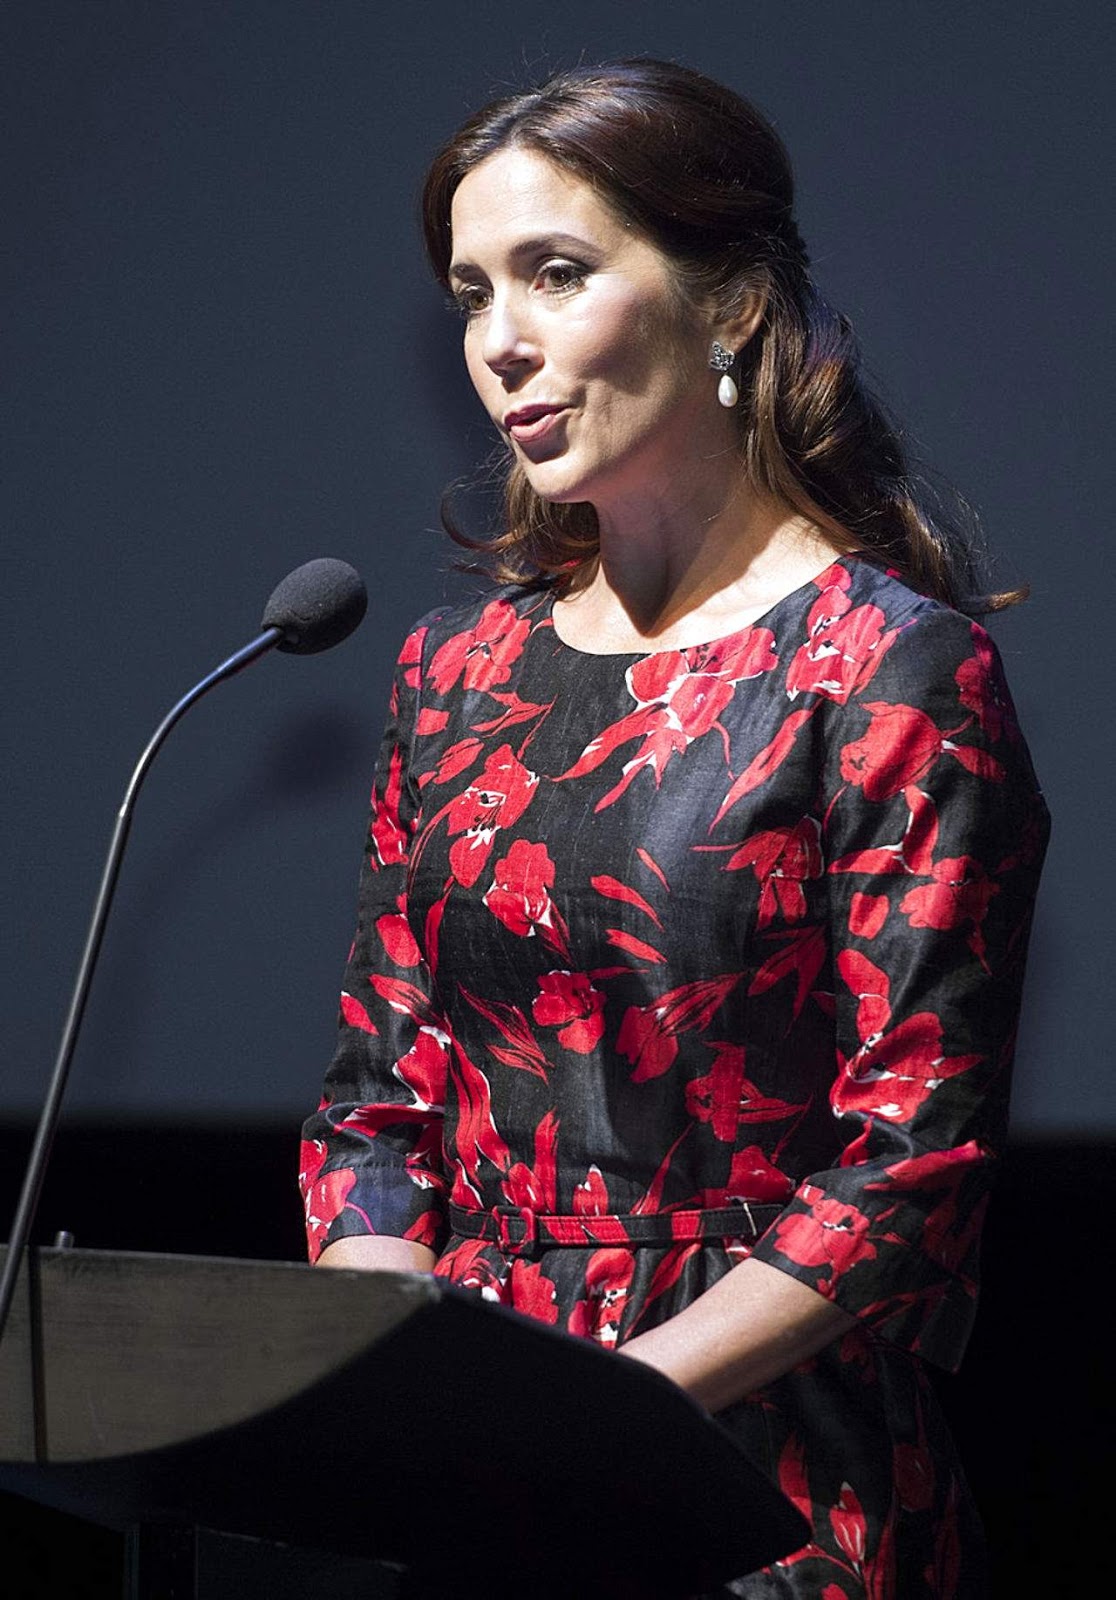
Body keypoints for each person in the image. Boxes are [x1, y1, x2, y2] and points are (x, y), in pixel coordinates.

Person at [299, 59, 1049, 1597]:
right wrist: (400, 1383)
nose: (500, 339)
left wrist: (605, 1410)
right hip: (478, 1484)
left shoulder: (889, 670)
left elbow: (910, 1167)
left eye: (555, 275)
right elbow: (381, 1100)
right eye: (469, 291)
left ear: (724, 304)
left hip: (767, 1490)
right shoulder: (458, 671)